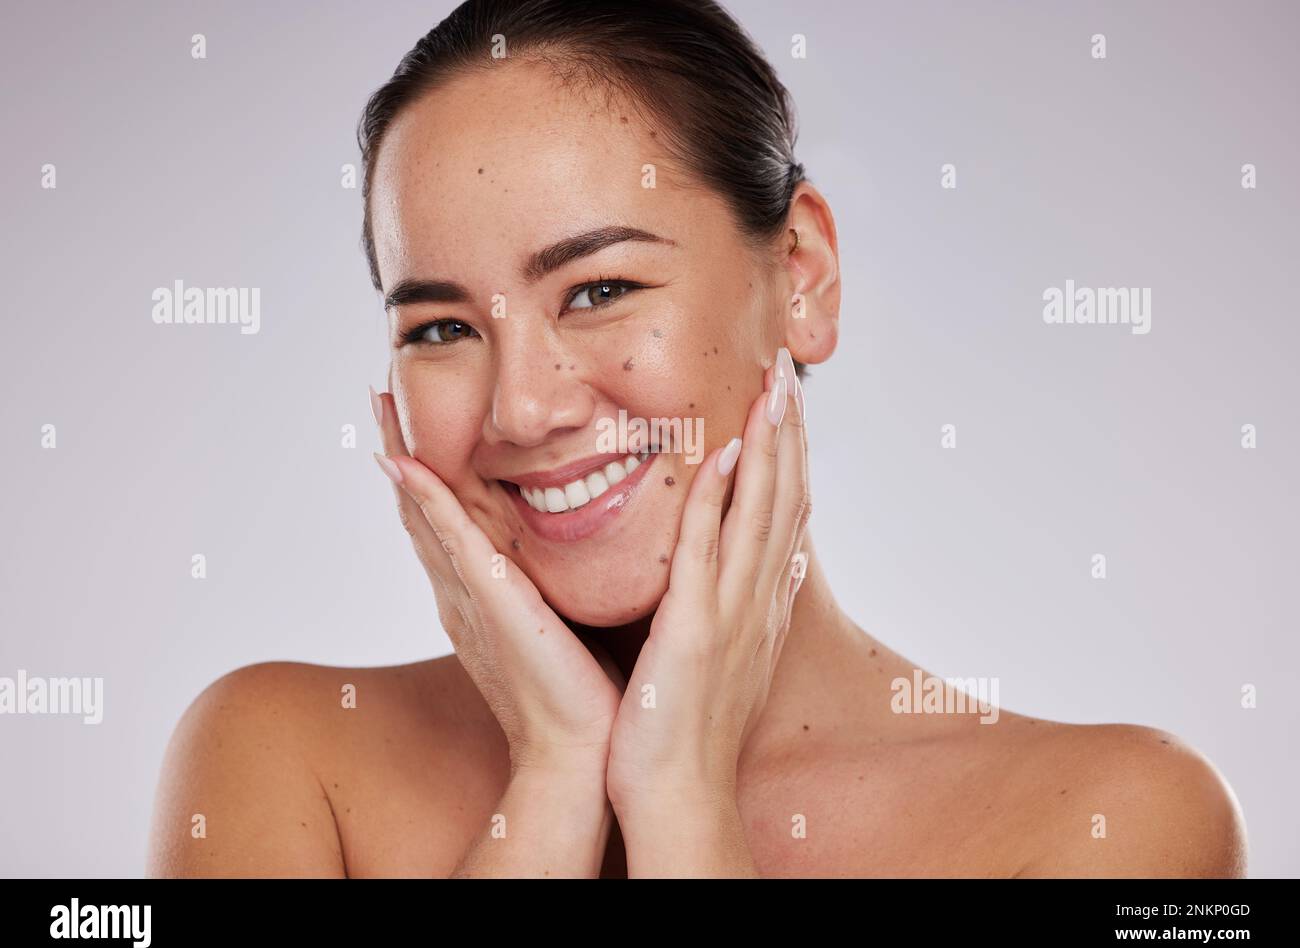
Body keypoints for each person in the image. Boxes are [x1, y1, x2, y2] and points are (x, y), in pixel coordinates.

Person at [147, 0, 1247, 878]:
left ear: (800, 275)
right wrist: (551, 778)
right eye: (441, 326)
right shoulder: (277, 756)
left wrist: (679, 797)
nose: (522, 410)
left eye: (599, 289)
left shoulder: (1115, 817)